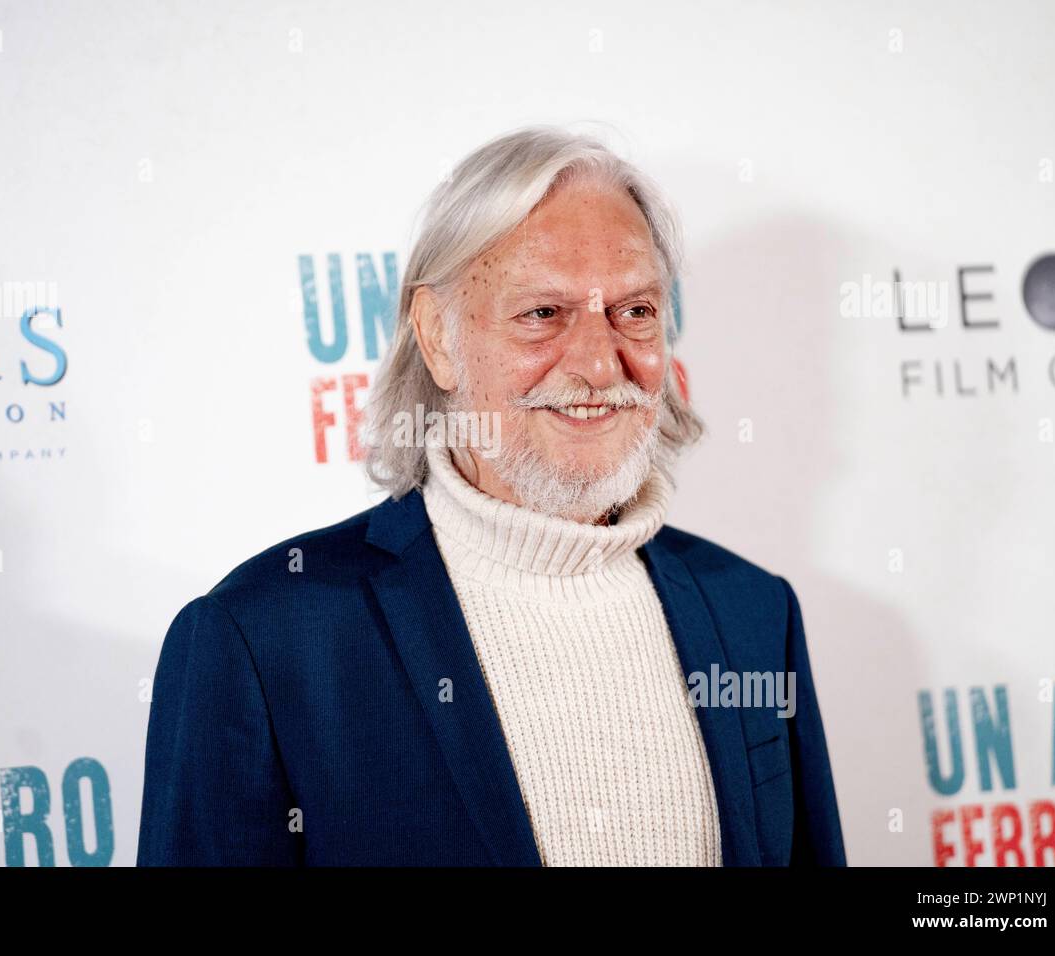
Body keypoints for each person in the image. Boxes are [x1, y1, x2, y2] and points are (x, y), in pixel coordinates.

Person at [137, 125, 847, 866]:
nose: (601, 362)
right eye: (543, 314)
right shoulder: (264, 639)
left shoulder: (754, 613)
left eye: (633, 312)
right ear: (437, 338)